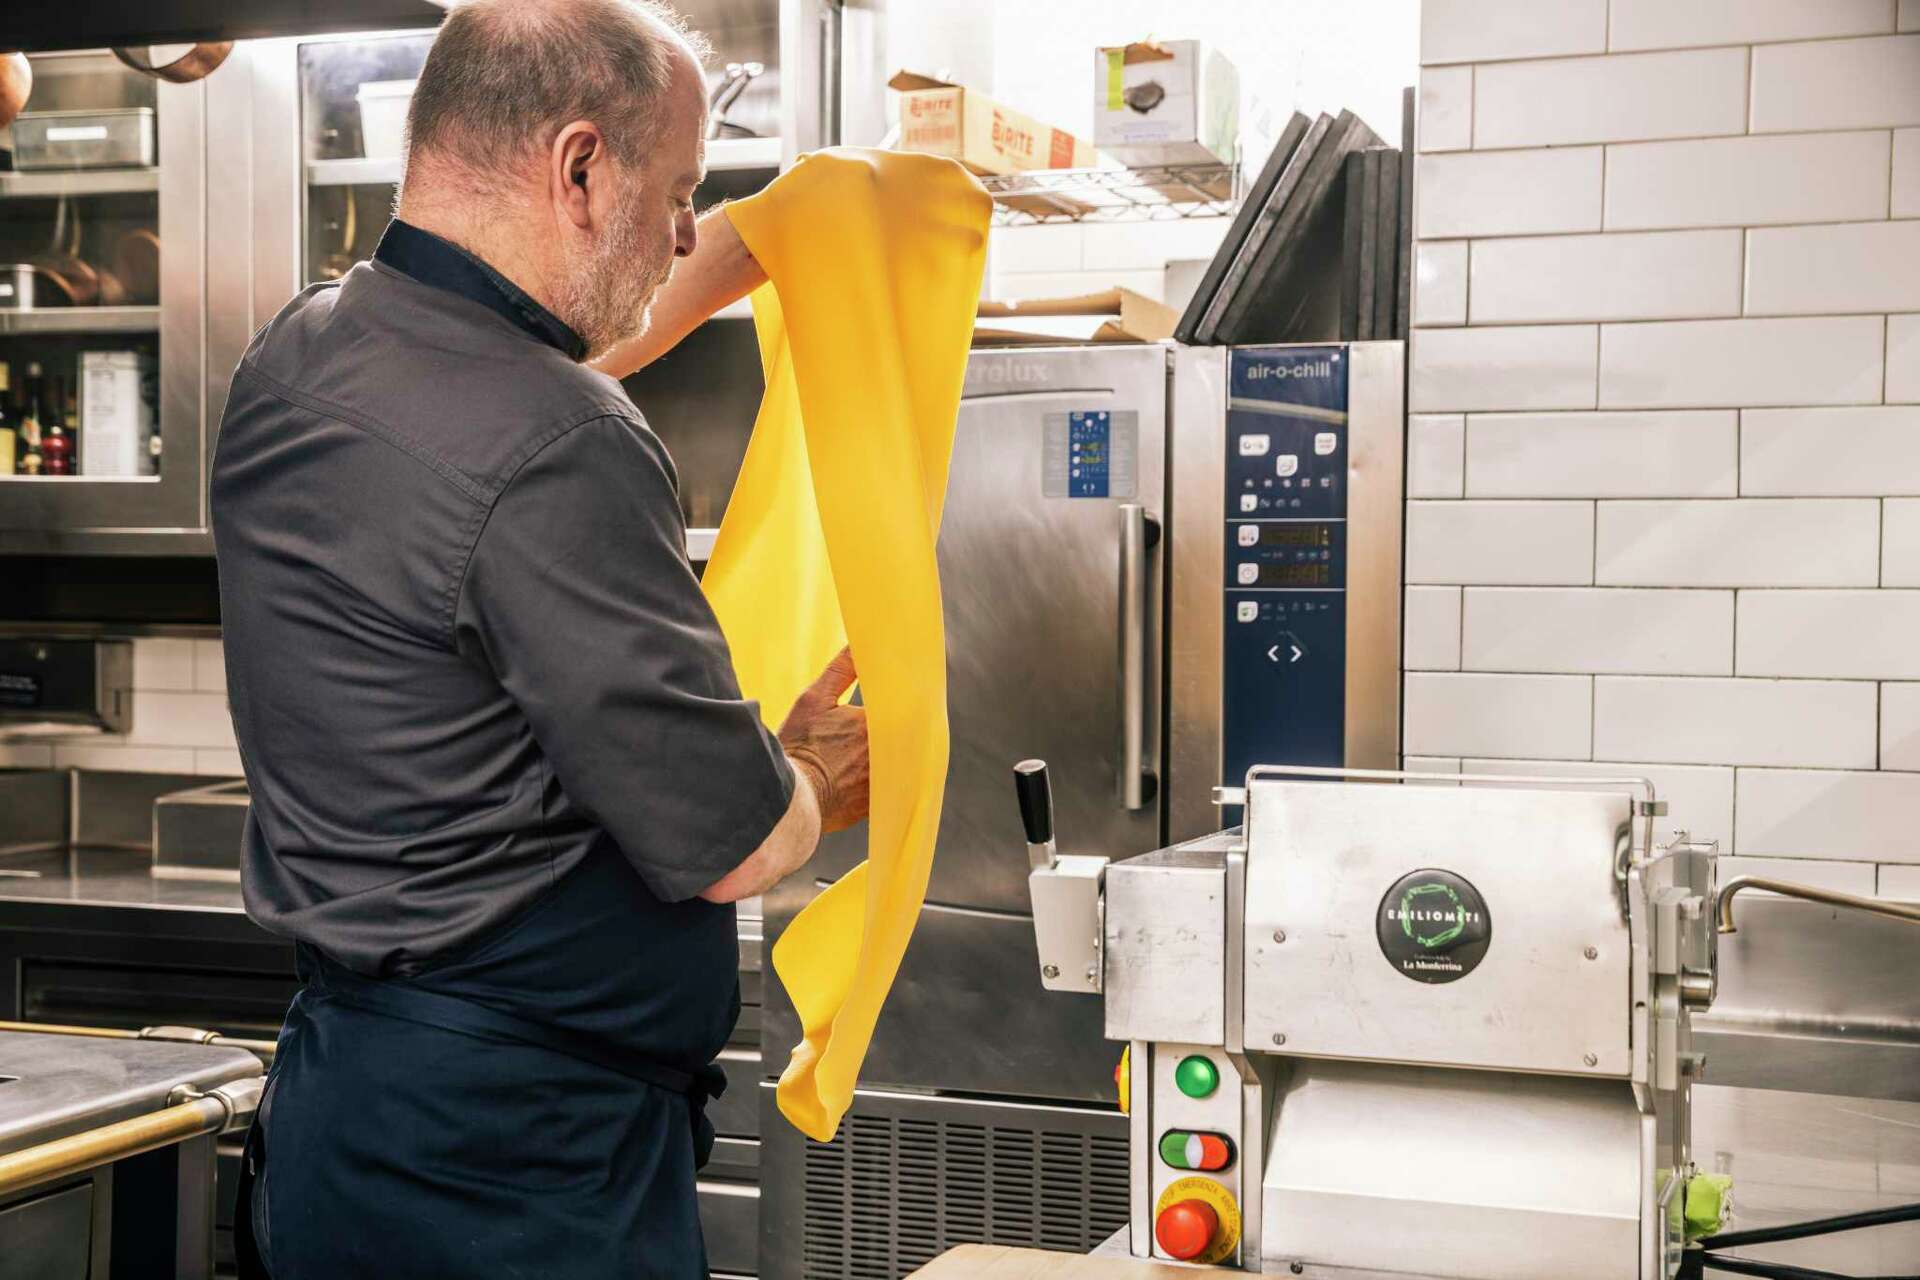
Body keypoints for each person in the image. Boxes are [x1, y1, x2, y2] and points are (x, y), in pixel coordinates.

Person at [209, 2, 867, 1275]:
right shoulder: (564, 443)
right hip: (518, 1167)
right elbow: (728, 841)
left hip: (351, 1116)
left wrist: (766, 236)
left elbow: (516, 368)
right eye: (678, 192)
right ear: (579, 167)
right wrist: (815, 778)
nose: (683, 231)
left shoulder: (301, 352)